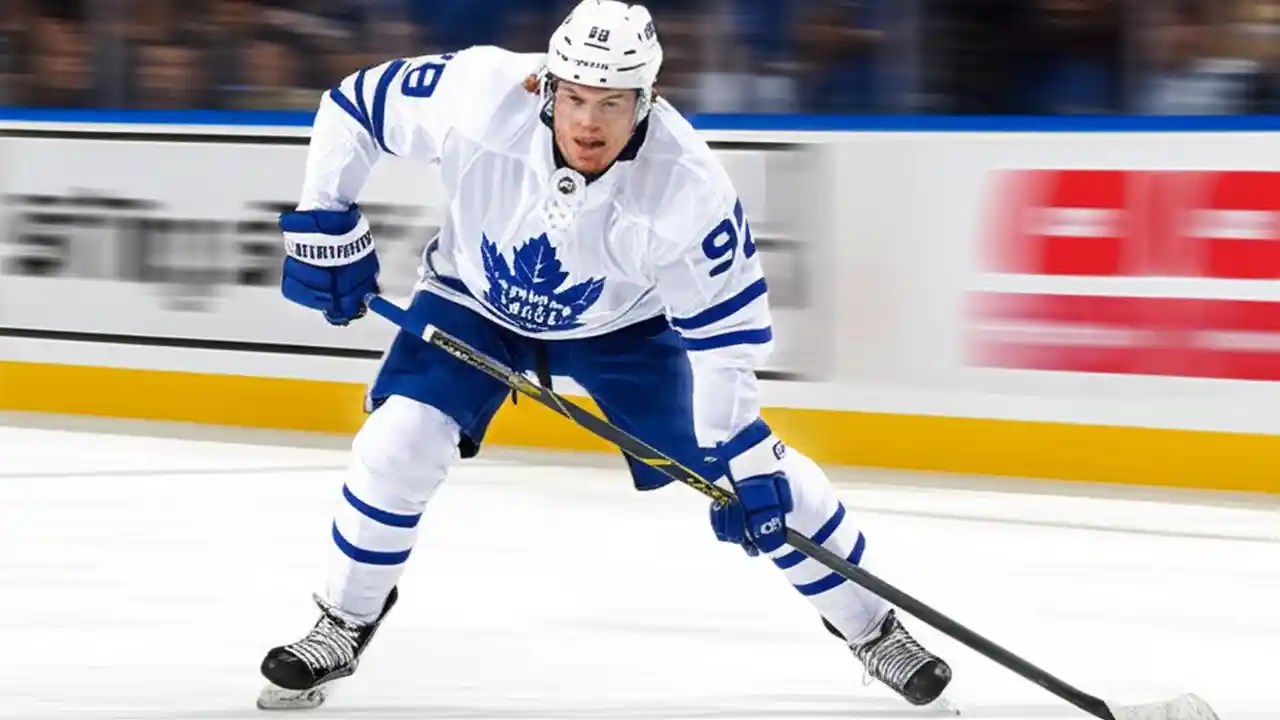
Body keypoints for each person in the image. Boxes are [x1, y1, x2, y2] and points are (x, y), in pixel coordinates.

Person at [258, 0, 951, 710]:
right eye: (577, 98)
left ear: (648, 100)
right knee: (399, 438)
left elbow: (724, 346)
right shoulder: (477, 91)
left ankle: (874, 629)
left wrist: (739, 455)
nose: (589, 123)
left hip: (627, 328)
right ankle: (343, 621)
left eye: (613, 103)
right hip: (472, 296)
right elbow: (352, 108)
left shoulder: (689, 188)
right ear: (546, 86)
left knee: (758, 472)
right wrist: (325, 216)